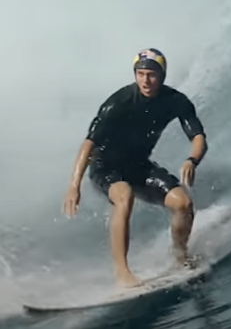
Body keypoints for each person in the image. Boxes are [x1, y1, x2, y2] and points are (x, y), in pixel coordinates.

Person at [63, 48, 209, 288]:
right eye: (140, 74)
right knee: (124, 196)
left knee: (183, 203)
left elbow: (199, 136)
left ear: (162, 75)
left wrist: (192, 160)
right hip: (105, 167)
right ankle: (122, 273)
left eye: (151, 74)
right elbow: (88, 143)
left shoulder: (175, 101)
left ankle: (181, 257)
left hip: (139, 167)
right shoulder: (118, 103)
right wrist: (73, 186)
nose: (145, 80)